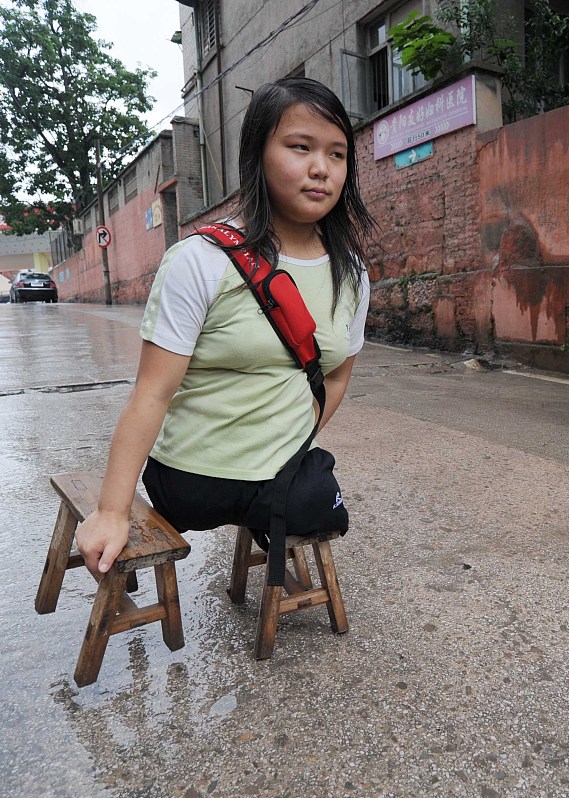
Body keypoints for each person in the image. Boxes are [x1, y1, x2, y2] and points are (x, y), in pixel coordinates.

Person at [75, 76, 375, 575]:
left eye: (338, 154)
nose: (321, 168)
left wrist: (294, 443)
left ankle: (278, 498)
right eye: (300, 147)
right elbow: (151, 393)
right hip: (192, 475)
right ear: (258, 154)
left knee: (323, 503)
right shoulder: (199, 262)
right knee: (298, 498)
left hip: (281, 472)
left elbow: (338, 375)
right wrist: (112, 510)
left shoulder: (352, 273)